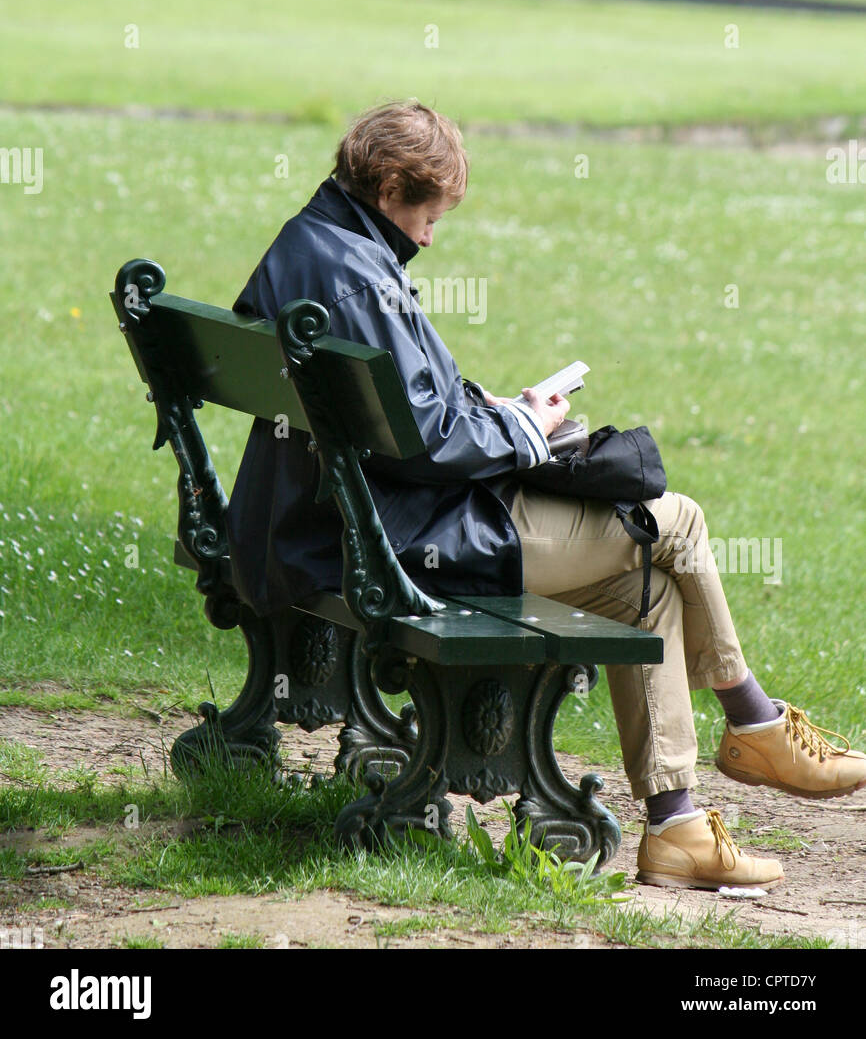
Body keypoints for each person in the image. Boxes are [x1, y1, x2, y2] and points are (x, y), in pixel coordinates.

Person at [228, 98, 866, 891]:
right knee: (679, 521)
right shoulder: (359, 276)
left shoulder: (314, 243)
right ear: (391, 185)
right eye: (431, 211)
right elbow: (425, 443)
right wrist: (524, 430)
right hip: (400, 540)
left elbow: (402, 412)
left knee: (649, 588)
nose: (431, 232)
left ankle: (679, 826)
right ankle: (754, 726)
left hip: (336, 522)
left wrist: (495, 411)